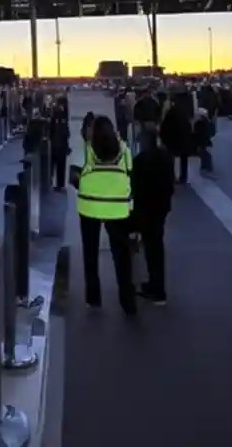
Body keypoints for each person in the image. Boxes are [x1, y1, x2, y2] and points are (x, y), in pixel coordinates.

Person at [74, 116, 137, 315]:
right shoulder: (124, 150)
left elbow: (81, 169)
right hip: (117, 205)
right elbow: (130, 173)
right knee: (122, 256)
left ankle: (93, 298)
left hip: (89, 203)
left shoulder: (89, 148)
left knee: (90, 253)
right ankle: (127, 301)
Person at [131, 123, 175, 305]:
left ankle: (156, 288)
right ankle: (156, 284)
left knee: (151, 246)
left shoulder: (141, 160)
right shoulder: (165, 157)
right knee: (156, 245)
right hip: (161, 207)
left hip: (146, 208)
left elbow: (135, 187)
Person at [160, 92, 194, 184]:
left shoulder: (171, 112)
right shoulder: (185, 112)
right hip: (183, 138)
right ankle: (183, 177)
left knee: (171, 158)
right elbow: (189, 126)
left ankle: (172, 177)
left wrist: (163, 138)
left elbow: (165, 126)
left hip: (173, 139)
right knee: (184, 159)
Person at [48, 98, 71, 192]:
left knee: (57, 165)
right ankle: (58, 184)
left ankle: (57, 184)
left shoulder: (59, 116)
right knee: (58, 165)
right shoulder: (59, 117)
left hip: (58, 145)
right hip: (58, 145)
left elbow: (64, 132)